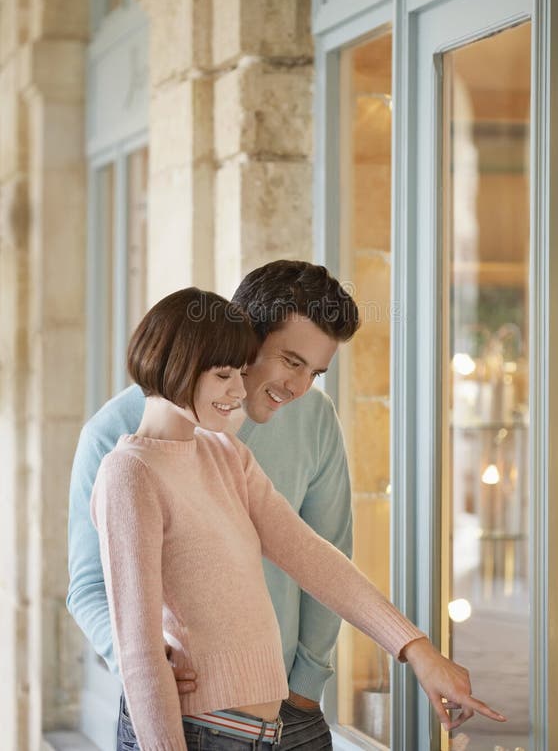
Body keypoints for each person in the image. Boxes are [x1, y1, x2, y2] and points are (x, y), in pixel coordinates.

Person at [90, 287, 505, 751]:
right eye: (224, 375)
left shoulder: (226, 454)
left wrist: (417, 650)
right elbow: (141, 651)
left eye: (242, 374)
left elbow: (311, 557)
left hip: (263, 735)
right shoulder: (130, 472)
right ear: (177, 366)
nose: (238, 390)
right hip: (202, 734)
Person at [68, 261, 359, 750]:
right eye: (290, 362)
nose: (300, 387)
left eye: (315, 371)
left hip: (290, 708)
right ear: (244, 335)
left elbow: (324, 550)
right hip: (186, 709)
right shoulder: (115, 435)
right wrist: (147, 664)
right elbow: (90, 584)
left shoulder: (309, 419)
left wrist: (307, 688)